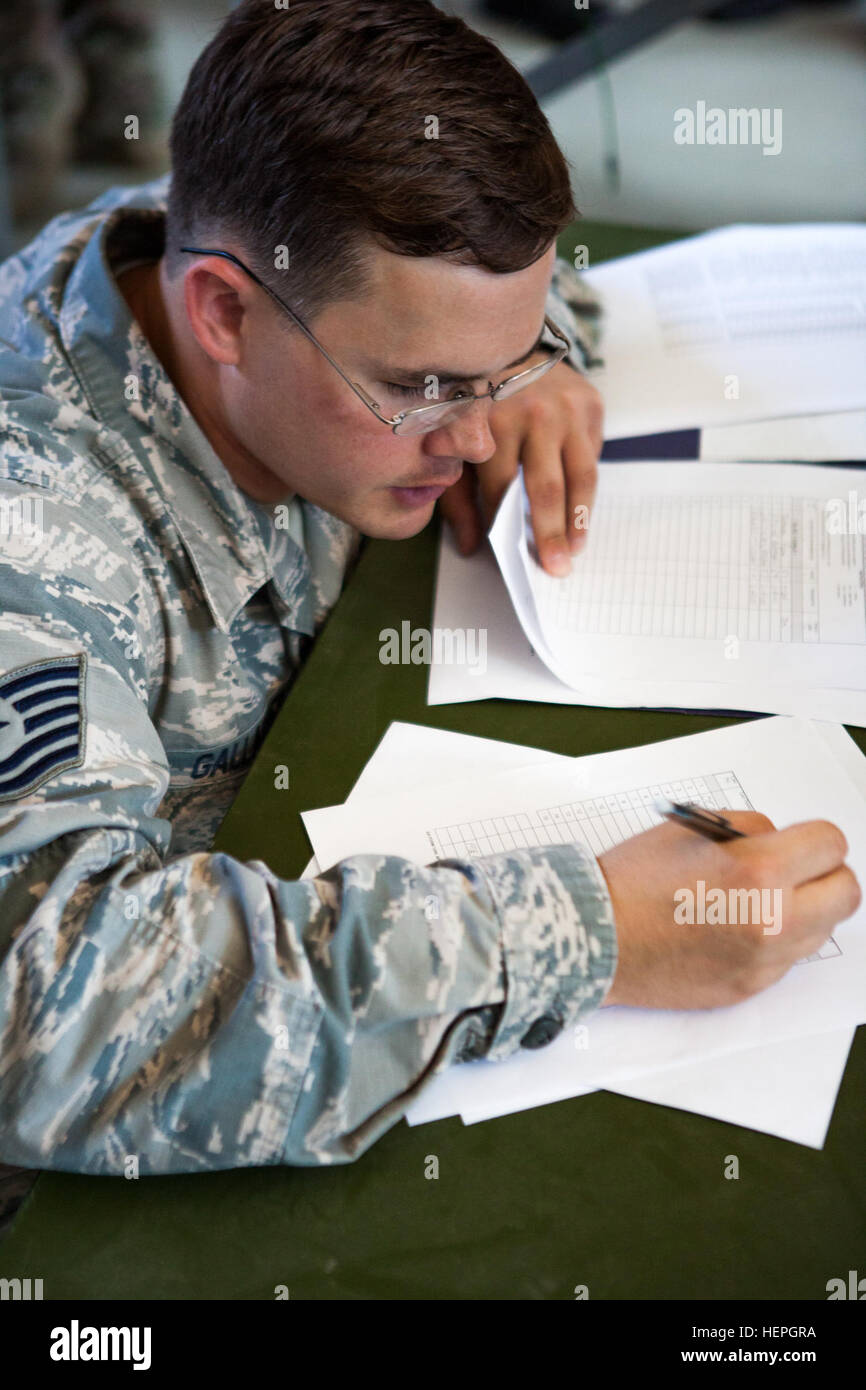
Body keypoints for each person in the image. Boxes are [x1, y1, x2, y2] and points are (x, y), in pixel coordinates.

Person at [0, 0, 858, 1226]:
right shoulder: (31, 531)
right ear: (222, 316)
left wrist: (533, 368)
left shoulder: (254, 240)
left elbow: (463, 293)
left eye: (493, 371)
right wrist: (586, 931)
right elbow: (48, 1020)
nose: (466, 439)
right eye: (420, 389)